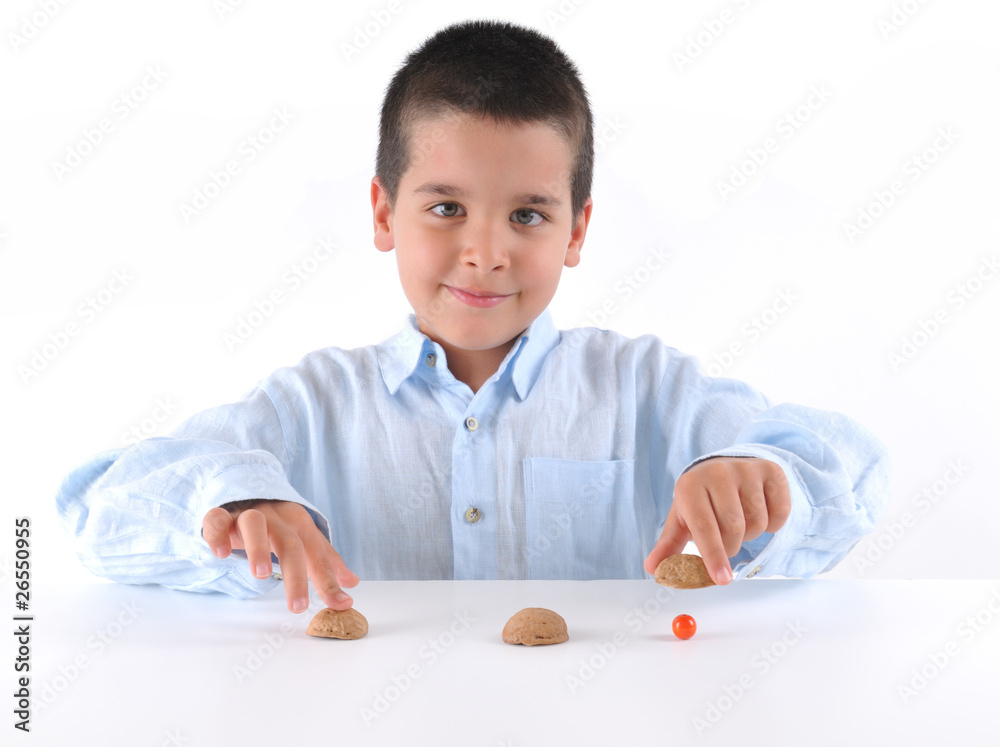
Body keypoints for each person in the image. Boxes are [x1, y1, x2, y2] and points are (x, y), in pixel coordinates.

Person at [56, 20, 889, 616]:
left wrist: (758, 472)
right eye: (447, 206)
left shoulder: (647, 387)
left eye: (527, 214)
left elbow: (853, 474)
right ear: (383, 215)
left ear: (578, 231)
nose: (486, 251)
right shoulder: (310, 405)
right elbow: (95, 510)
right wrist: (230, 500)